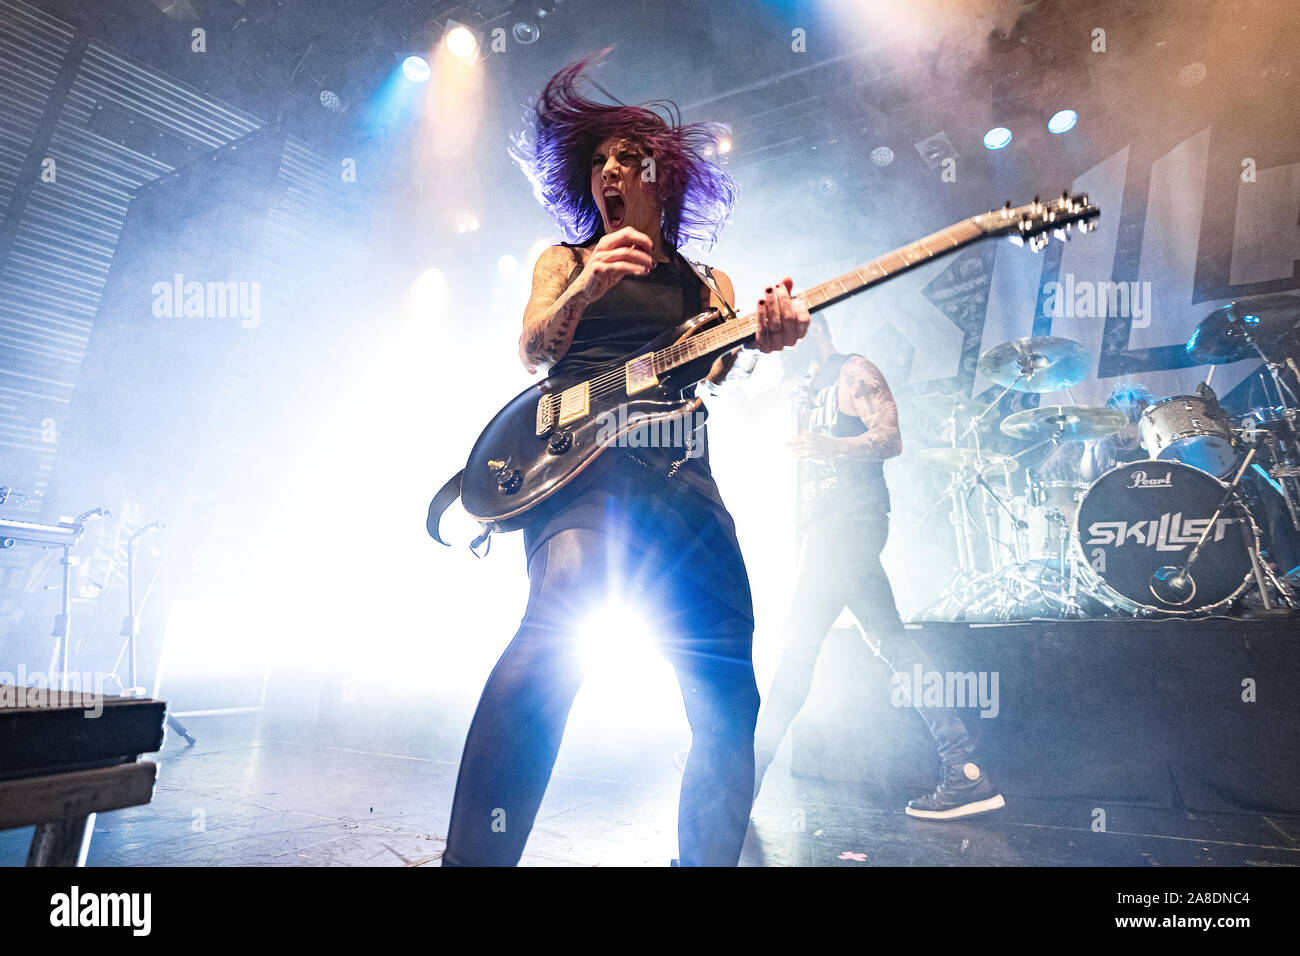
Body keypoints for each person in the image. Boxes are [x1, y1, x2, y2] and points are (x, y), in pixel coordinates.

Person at [440, 56, 810, 866]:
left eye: (625, 158)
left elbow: (714, 365)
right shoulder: (565, 258)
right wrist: (584, 291)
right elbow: (534, 352)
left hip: (682, 473)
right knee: (561, 615)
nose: (609, 170)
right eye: (598, 160)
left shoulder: (709, 283)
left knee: (728, 693)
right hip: (577, 468)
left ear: (660, 177)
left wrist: (763, 333)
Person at [749, 316, 1005, 820]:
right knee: (892, 646)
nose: (783, 346)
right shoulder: (805, 387)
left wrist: (834, 447)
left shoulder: (853, 371)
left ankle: (742, 774)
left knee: (798, 651)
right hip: (829, 531)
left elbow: (890, 438)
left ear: (817, 328)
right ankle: (965, 769)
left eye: (793, 335)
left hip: (853, 524)